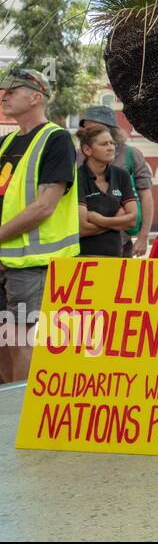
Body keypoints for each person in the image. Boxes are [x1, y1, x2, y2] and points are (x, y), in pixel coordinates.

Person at [0, 68, 78, 384]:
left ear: (36, 97)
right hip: (9, 262)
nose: (4, 95)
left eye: (12, 90)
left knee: (22, 342)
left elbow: (45, 205)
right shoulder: (5, 144)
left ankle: (19, 419)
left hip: (35, 265)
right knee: (6, 343)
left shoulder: (56, 139)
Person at [78, 105, 153, 257]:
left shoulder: (131, 154)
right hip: (82, 246)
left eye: (94, 127)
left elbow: (146, 196)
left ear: (110, 129)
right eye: (86, 127)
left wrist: (143, 236)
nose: (88, 131)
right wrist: (117, 221)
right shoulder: (76, 156)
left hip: (121, 242)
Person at [76, 126, 138, 258]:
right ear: (87, 150)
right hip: (83, 260)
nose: (111, 148)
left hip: (115, 258)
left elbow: (132, 220)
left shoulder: (122, 175)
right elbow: (82, 228)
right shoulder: (77, 178)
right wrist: (117, 221)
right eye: (104, 144)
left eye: (112, 143)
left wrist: (98, 219)